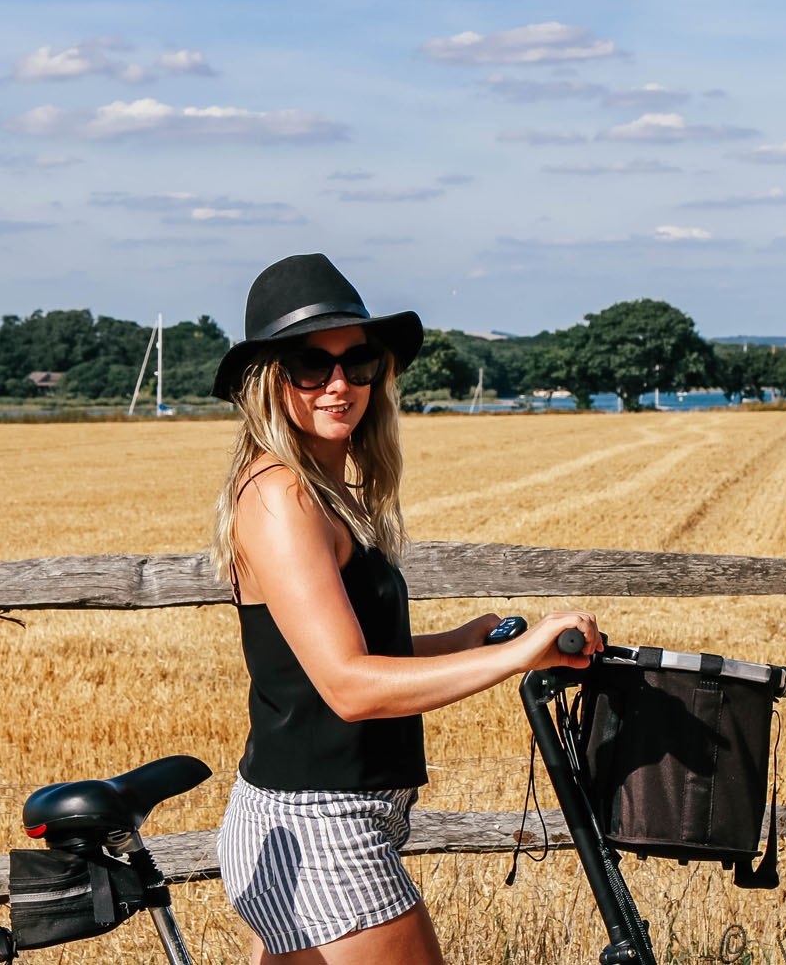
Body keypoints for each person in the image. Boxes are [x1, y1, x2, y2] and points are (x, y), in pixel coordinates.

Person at [208, 253, 600, 965]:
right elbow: (349, 687)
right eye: (309, 366)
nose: (339, 384)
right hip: (320, 826)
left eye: (358, 363)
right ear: (267, 381)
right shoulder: (279, 499)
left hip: (337, 816)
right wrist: (516, 654)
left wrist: (465, 639)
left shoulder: (326, 494)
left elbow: (349, 653)